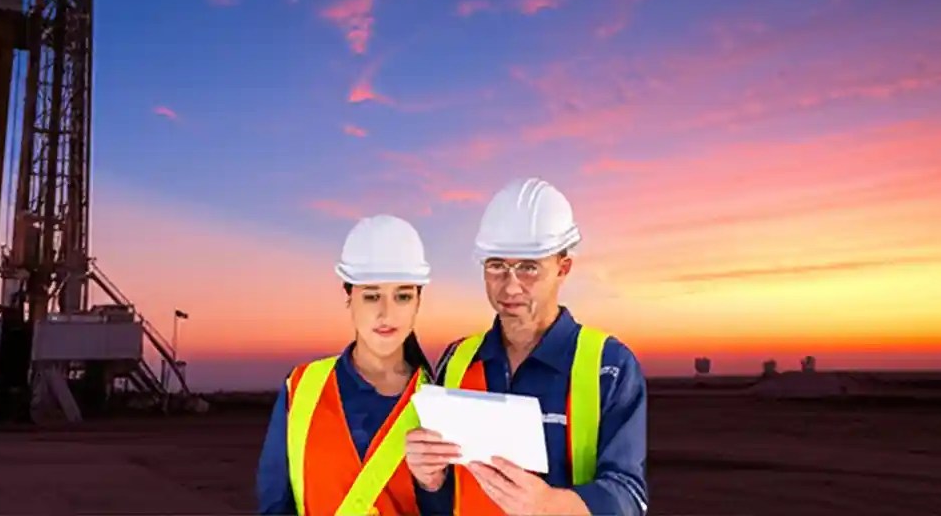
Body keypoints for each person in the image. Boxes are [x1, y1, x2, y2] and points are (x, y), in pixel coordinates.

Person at [406, 177, 649, 516]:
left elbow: (630, 497)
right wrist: (429, 481)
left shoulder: (609, 366)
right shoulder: (458, 360)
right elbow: (445, 504)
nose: (510, 287)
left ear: (563, 267)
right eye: (497, 266)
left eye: (528, 268)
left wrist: (550, 506)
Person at [256, 214, 440, 515]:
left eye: (403, 296)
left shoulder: (439, 403)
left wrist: (433, 487)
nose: (386, 313)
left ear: (418, 302)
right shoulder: (302, 387)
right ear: (349, 297)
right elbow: (275, 504)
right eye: (372, 296)